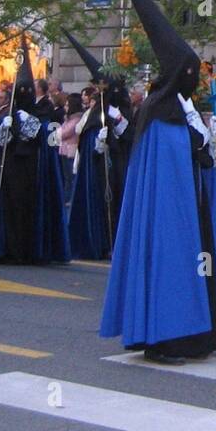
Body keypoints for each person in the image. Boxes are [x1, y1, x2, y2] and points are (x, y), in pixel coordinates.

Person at [100, 0, 216, 364]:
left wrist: (213, 136)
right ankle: (169, 334)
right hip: (175, 216)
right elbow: (179, 161)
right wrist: (201, 145)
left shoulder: (184, 107)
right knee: (175, 262)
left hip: (193, 209)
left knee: (201, 263)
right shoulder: (161, 112)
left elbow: (199, 157)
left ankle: (199, 333)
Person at [0, 39, 68, 265]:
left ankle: (30, 248)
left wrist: (31, 127)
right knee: (8, 210)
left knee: (27, 211)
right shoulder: (7, 116)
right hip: (8, 174)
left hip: (31, 173)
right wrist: (5, 128)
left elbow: (47, 142)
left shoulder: (43, 115)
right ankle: (5, 247)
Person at [66, 32, 134, 262]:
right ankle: (97, 241)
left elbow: (131, 135)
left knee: (116, 202)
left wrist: (119, 127)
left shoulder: (121, 108)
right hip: (97, 169)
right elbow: (84, 135)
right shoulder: (96, 111)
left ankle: (115, 242)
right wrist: (96, 143)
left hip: (118, 167)